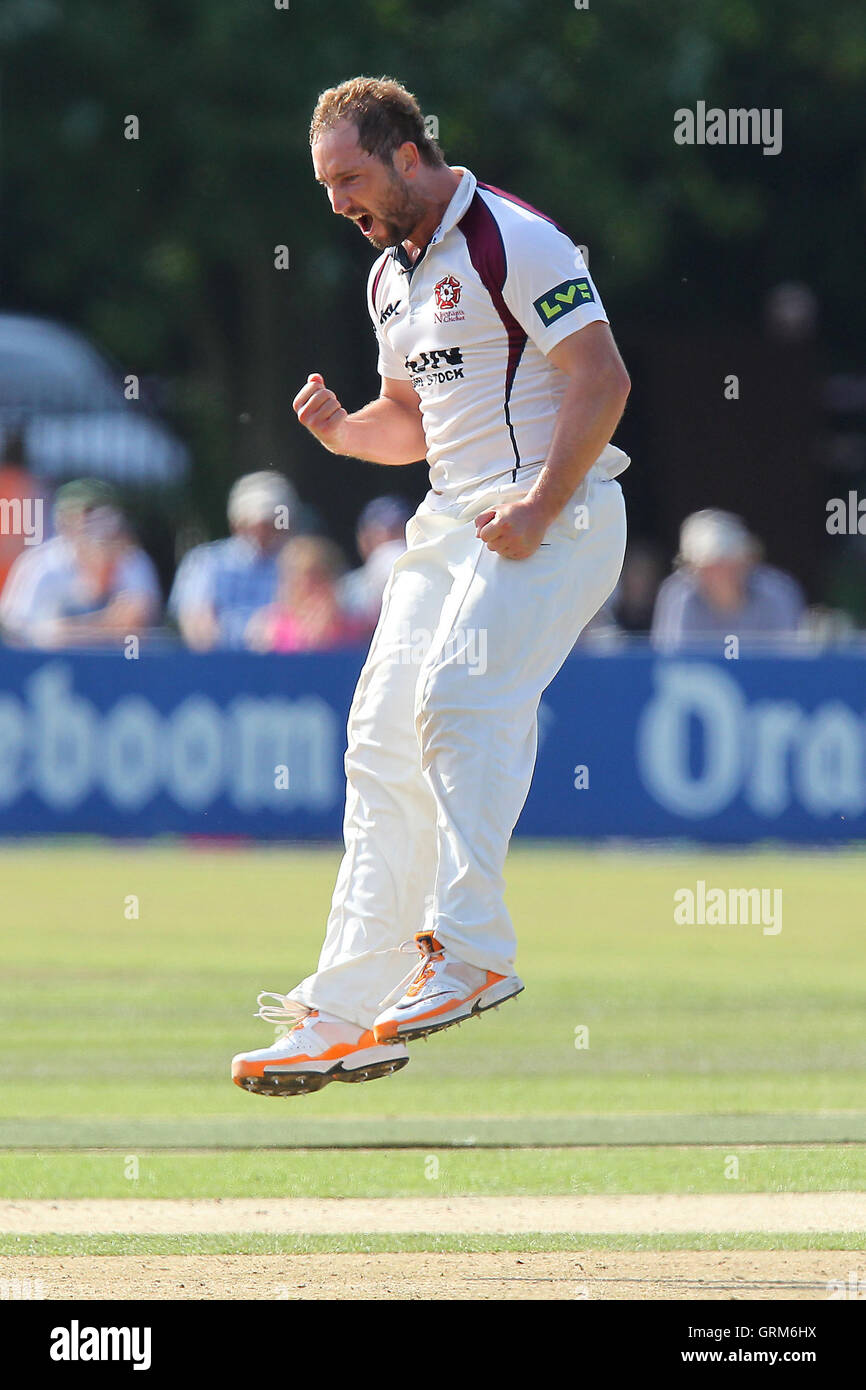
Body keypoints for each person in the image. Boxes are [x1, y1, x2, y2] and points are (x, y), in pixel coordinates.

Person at [232, 76, 631, 1097]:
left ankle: (468, 948)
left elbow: (601, 377)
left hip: (559, 507)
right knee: (379, 740)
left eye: (349, 177)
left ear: (407, 153)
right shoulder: (389, 281)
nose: (335, 204)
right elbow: (410, 420)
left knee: (459, 696)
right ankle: (342, 1011)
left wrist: (540, 505)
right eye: (324, 185)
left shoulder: (513, 238)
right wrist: (343, 431)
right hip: (451, 519)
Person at [0, 478, 160, 648]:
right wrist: (107, 622)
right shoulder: (39, 565)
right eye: (82, 516)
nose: (92, 525)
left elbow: (134, 624)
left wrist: (64, 630)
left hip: (119, 669)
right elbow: (15, 631)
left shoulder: (134, 562)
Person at [169, 471, 295, 650]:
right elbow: (196, 625)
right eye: (255, 523)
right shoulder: (205, 562)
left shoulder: (296, 563)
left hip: (281, 669)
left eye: (270, 523)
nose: (262, 531)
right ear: (237, 523)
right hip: (217, 669)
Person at [651, 509, 805, 651]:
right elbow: (671, 660)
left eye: (728, 560)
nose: (720, 573)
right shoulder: (677, 596)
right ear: (693, 567)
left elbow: (788, 659)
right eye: (709, 565)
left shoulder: (777, 593)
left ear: (747, 560)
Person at [245, 535, 370, 652]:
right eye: (297, 578)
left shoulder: (357, 629)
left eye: (317, 577)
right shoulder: (267, 626)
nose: (306, 586)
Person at [339, 494, 411, 629]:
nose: (389, 538)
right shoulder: (346, 592)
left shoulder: (433, 576)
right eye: (379, 532)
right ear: (363, 540)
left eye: (396, 530)